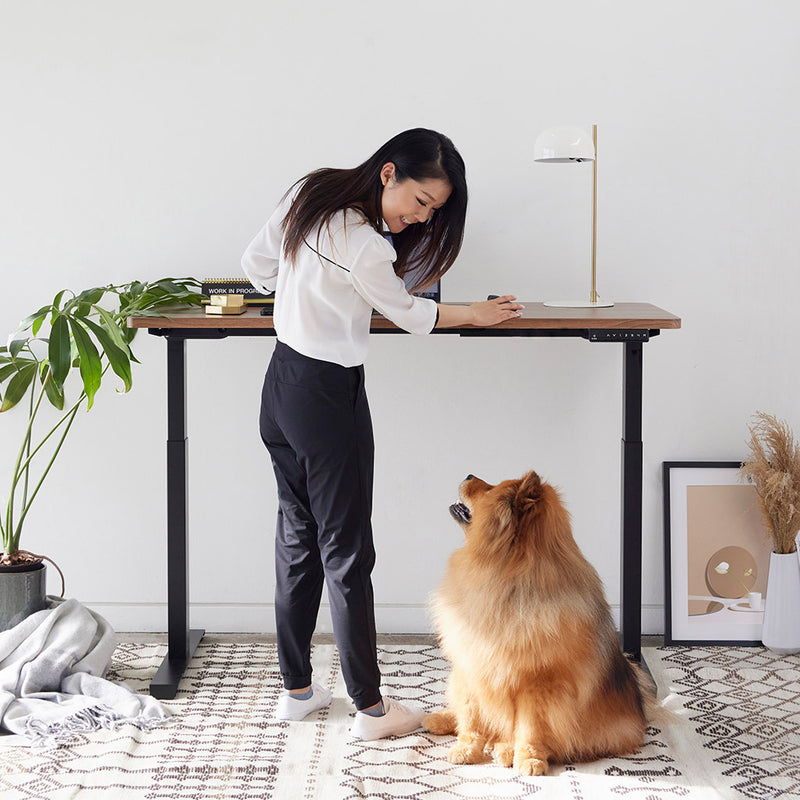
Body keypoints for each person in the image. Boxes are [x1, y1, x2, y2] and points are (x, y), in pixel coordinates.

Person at [241, 128, 522, 740]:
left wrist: (304, 293)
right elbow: (410, 312)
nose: (420, 217)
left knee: (298, 537)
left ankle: (297, 692)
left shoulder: (309, 195)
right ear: (389, 173)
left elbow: (255, 267)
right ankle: (370, 709)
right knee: (347, 551)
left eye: (434, 211)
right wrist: (472, 312)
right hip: (326, 395)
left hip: (280, 383)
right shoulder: (366, 245)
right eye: (421, 202)